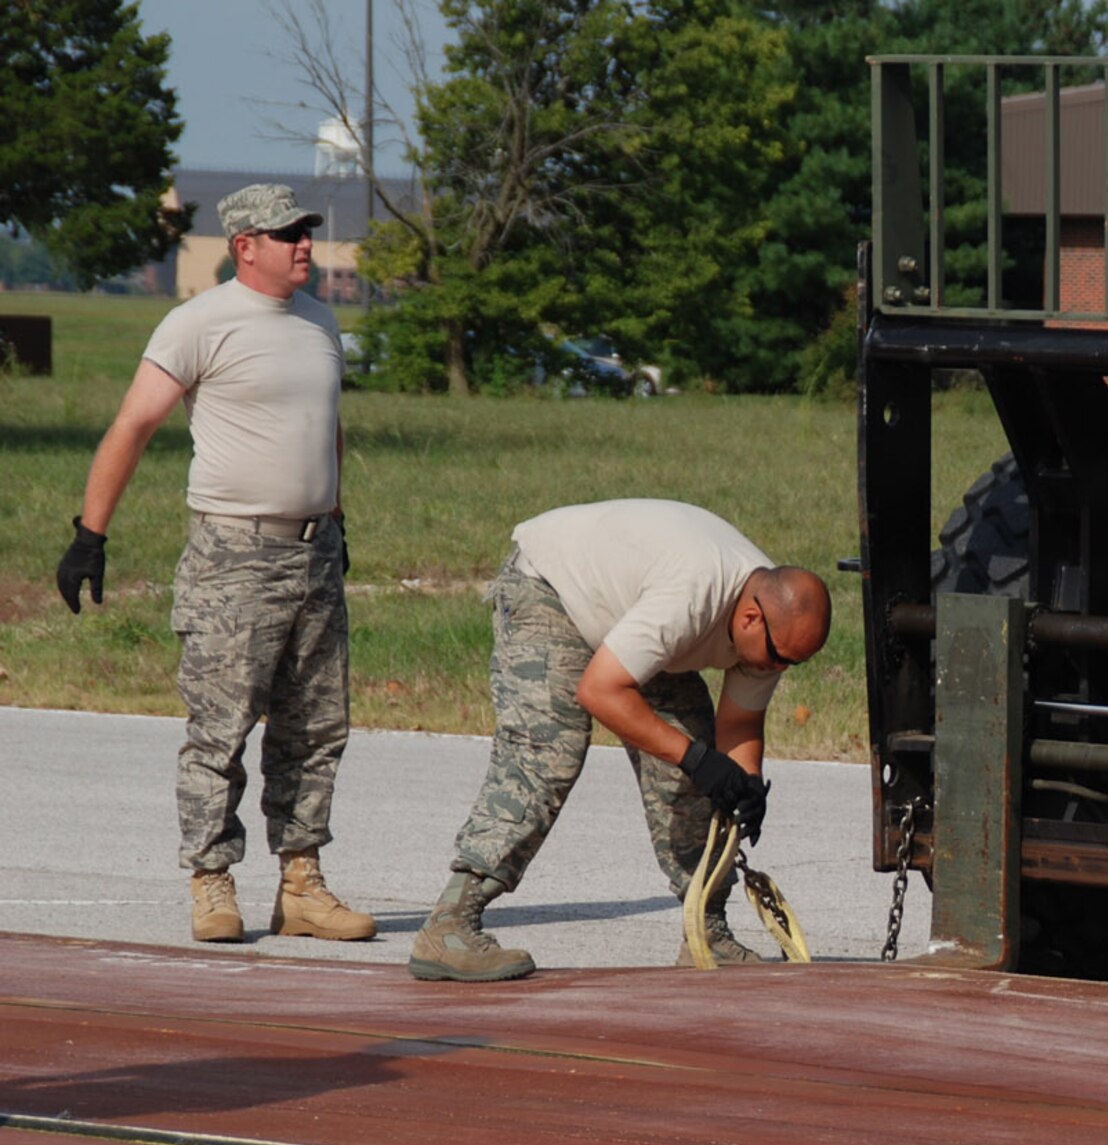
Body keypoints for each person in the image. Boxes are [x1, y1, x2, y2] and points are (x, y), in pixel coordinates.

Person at [55, 183, 374, 946]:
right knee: (220, 730)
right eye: (287, 233)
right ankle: (211, 879)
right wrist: (89, 534)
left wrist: (334, 515)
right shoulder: (197, 324)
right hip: (234, 555)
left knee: (316, 728)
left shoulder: (320, 322)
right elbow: (133, 424)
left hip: (314, 555)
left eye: (306, 231)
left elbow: (325, 426)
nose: (305, 243)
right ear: (244, 246)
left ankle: (301, 882)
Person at [409, 499, 831, 982]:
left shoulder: (775, 629)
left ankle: (706, 931)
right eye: (779, 659)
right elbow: (599, 691)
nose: (779, 670)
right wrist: (696, 760)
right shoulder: (693, 594)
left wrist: (745, 786)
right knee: (549, 750)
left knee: (695, 750)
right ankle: (450, 922)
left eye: (793, 664)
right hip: (552, 591)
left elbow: (739, 725)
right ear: (752, 618)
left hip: (626, 613)